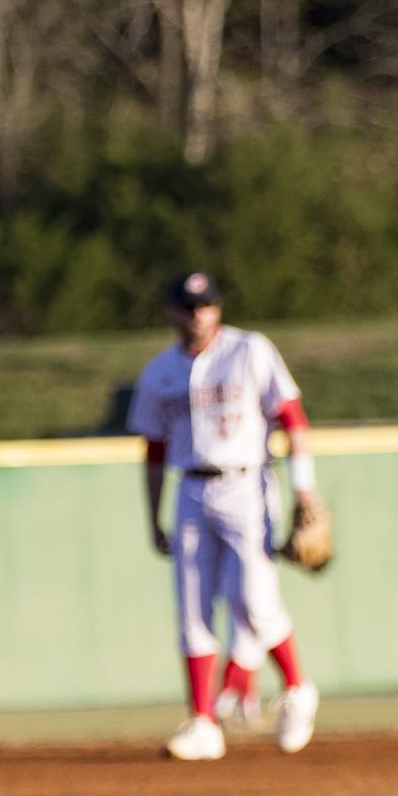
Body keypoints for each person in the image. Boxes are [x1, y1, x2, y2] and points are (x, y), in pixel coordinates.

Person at [127, 272, 322, 760]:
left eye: (207, 305)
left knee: (251, 599)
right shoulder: (158, 373)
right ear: (173, 312)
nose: (199, 314)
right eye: (190, 306)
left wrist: (305, 492)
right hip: (189, 489)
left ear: (217, 308)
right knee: (192, 608)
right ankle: (202, 723)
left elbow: (293, 419)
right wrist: (153, 518)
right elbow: (152, 450)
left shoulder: (249, 350)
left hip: (247, 484)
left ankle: (298, 689)